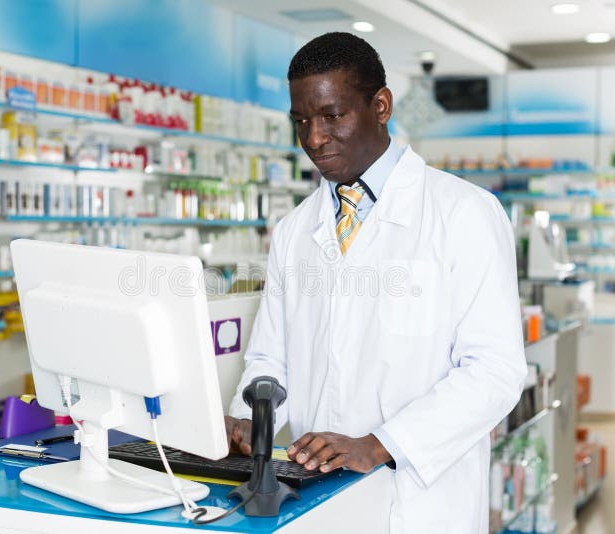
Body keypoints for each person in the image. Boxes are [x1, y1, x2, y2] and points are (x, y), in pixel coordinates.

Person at [225, 32, 526, 533]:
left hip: (419, 506)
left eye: (332, 116)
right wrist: (248, 420)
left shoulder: (464, 213)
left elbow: (495, 371)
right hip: (318, 498)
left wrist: (380, 443)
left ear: (380, 106)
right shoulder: (295, 231)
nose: (314, 138)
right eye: (301, 121)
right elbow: (270, 359)